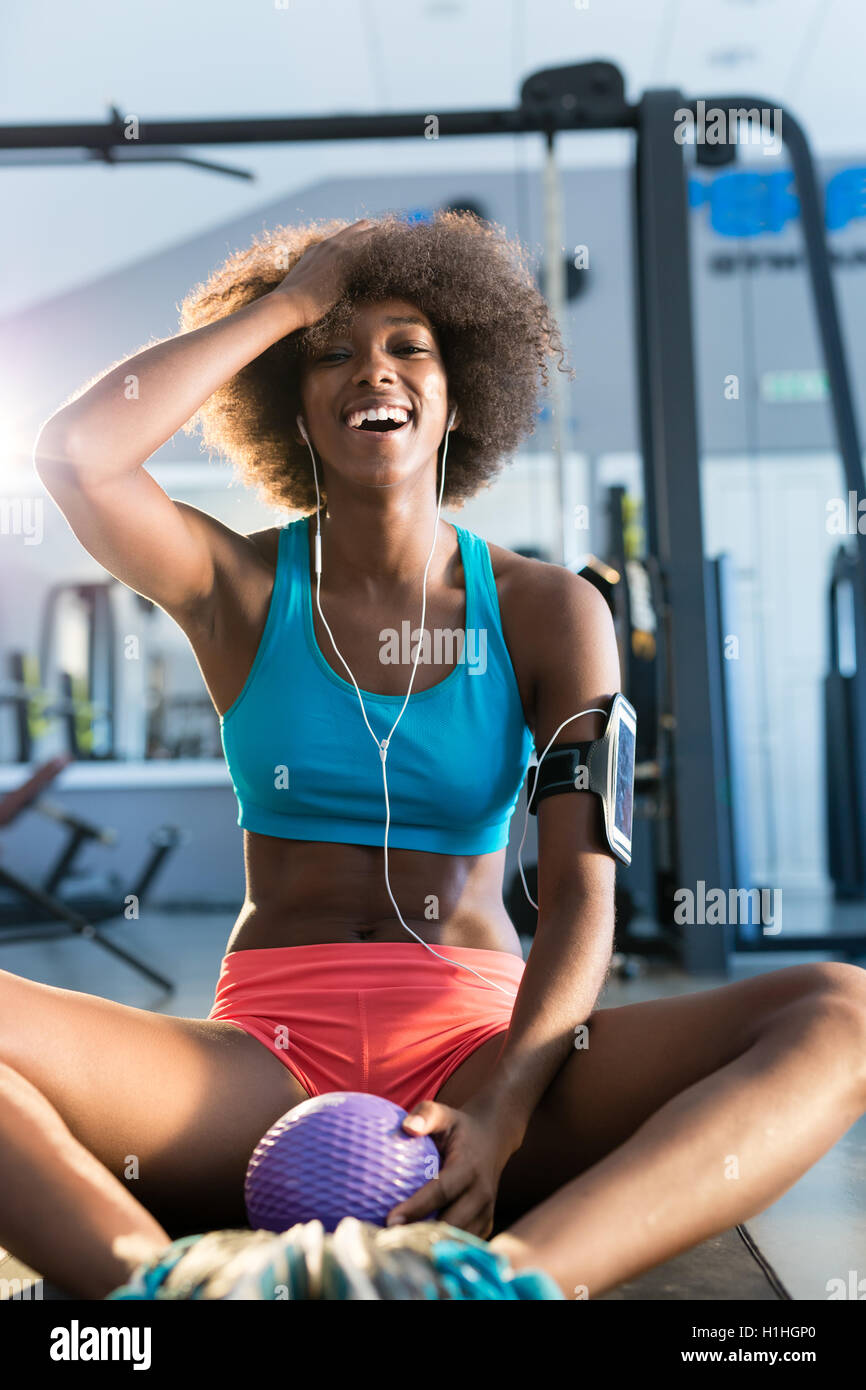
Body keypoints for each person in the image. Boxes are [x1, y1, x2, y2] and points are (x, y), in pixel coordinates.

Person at [12, 211, 865, 1300]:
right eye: (333, 351)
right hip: (264, 1061)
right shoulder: (236, 589)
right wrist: (281, 307)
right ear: (293, 407)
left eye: (407, 345)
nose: (374, 368)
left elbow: (579, 894)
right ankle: (159, 1288)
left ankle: (503, 1281)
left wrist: (505, 1104)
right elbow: (78, 454)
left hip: (480, 1040)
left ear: (457, 391)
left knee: (837, 1010)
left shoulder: (550, 610)